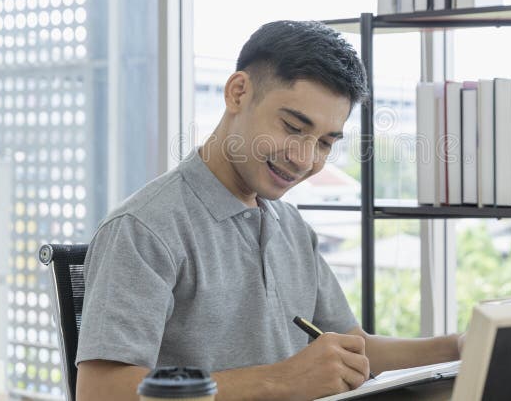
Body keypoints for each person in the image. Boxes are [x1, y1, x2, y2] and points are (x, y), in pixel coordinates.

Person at [75, 21, 462, 401]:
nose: (304, 158)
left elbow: (354, 349)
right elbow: (100, 392)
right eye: (293, 127)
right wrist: (279, 382)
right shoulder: (144, 228)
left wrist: (458, 346)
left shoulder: (292, 227)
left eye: (325, 143)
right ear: (238, 92)